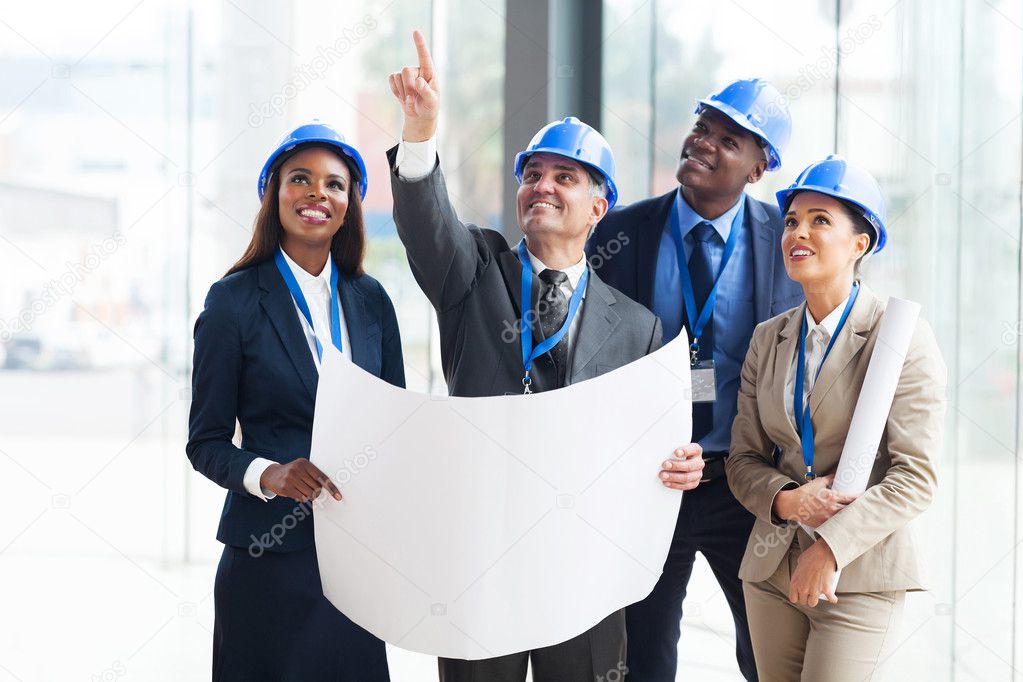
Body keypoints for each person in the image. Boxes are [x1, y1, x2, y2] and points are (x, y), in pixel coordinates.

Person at [386, 30, 705, 682]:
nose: (542, 186)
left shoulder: (639, 328)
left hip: (581, 569)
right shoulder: (471, 270)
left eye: (565, 176)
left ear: (599, 205)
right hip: (481, 558)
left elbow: (645, 446)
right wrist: (419, 133)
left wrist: (678, 462)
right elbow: (426, 223)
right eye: (532, 174)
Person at [588, 78, 802, 680]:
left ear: (758, 168)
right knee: (641, 658)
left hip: (747, 485)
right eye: (702, 126)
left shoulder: (787, 242)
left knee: (767, 654)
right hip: (648, 483)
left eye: (728, 139)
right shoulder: (618, 234)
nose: (703, 143)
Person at [186, 121, 404, 681]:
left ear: (350, 203)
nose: (317, 194)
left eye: (335, 184)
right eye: (300, 179)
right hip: (268, 561)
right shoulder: (233, 301)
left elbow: (397, 422)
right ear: (273, 194)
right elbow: (205, 443)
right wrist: (270, 474)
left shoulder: (371, 300)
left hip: (356, 561)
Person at [725, 156, 946, 680]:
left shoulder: (902, 338)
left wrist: (829, 547)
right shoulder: (768, 337)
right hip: (770, 569)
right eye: (793, 221)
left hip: (858, 574)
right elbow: (743, 459)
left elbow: (915, 475)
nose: (799, 232)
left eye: (820, 220)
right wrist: (787, 499)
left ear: (860, 243)